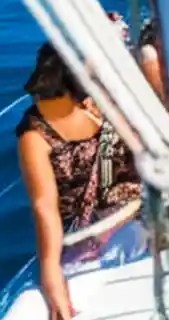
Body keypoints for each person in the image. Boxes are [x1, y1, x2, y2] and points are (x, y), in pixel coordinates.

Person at [16, 44, 143, 319]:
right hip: (99, 235)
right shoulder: (36, 136)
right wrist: (51, 273)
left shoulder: (113, 103)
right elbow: (44, 207)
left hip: (133, 219)